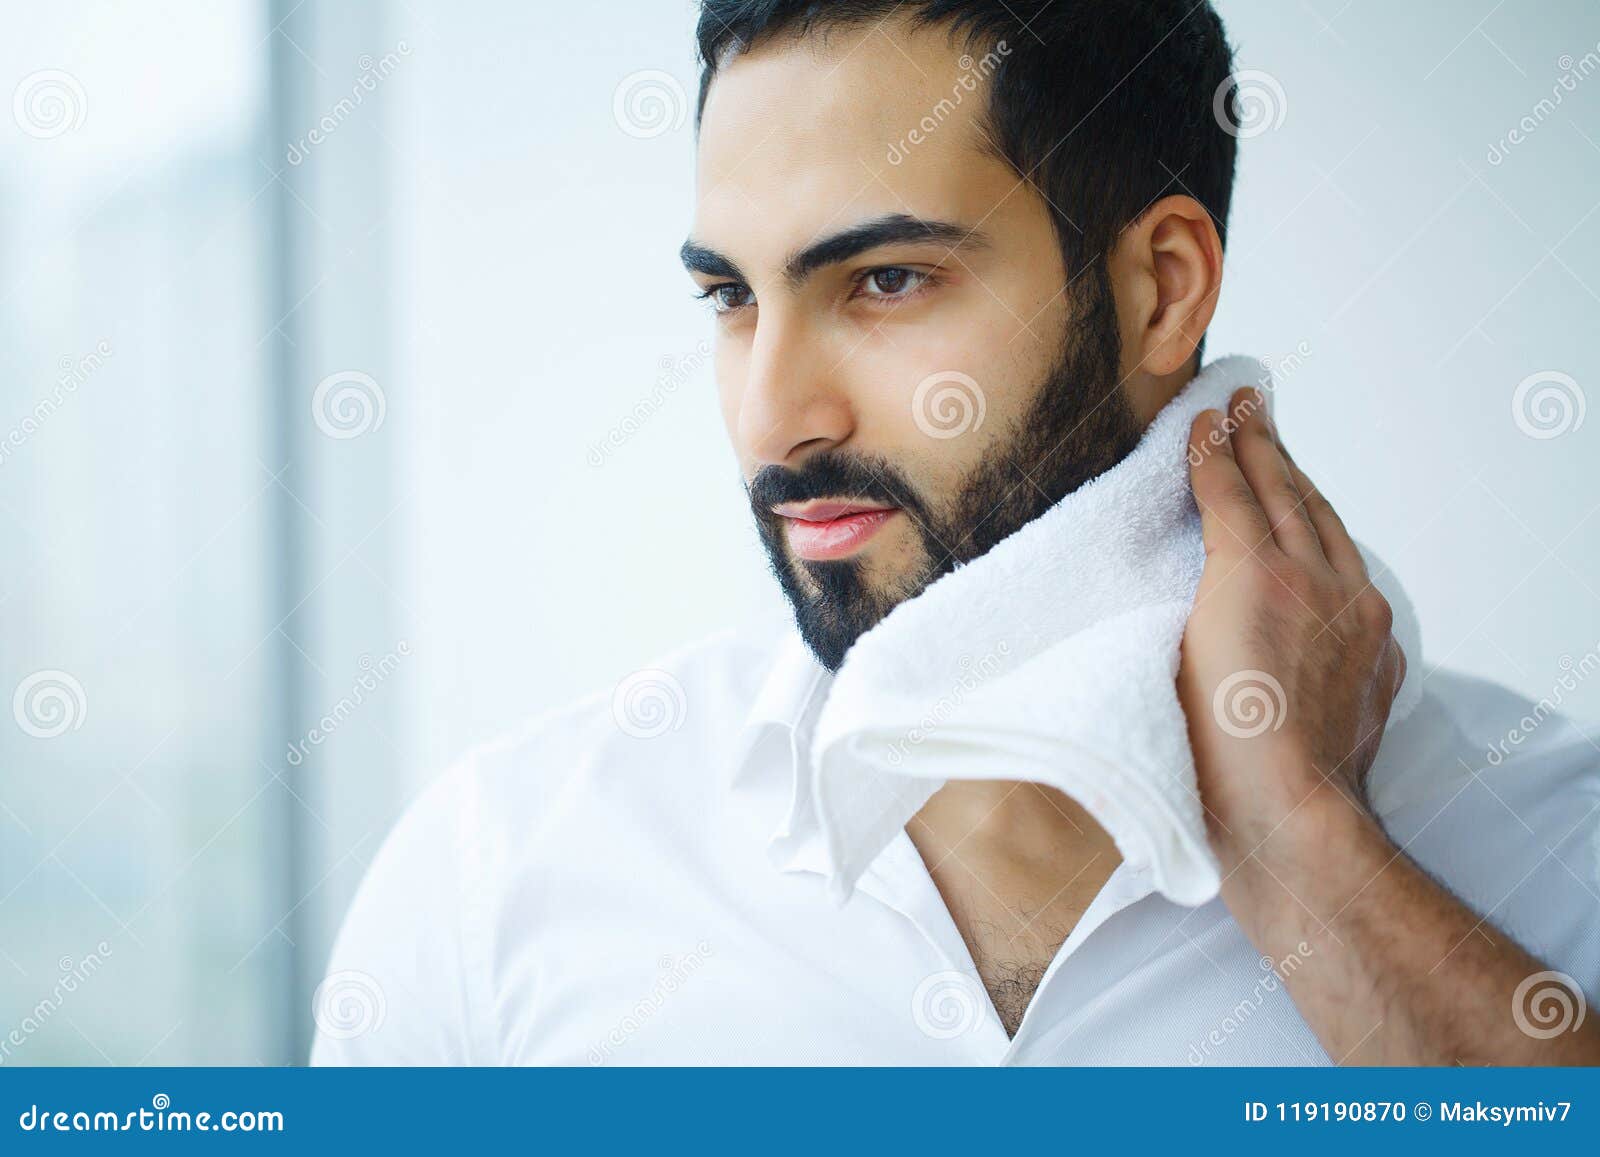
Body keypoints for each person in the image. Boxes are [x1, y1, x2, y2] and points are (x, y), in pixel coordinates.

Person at [312, 0, 1600, 1065]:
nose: (774, 419)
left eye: (885, 281)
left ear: (1163, 288)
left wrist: (1310, 850)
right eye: (730, 297)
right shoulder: (497, 871)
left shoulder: (1559, 856)